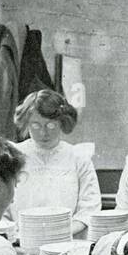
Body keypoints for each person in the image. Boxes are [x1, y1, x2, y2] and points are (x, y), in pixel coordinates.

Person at [11, 89, 101, 236]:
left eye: (50, 125)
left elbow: (89, 207)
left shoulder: (78, 157)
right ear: (26, 123)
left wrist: (60, 233)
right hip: (21, 239)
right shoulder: (14, 156)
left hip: (66, 239)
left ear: (62, 122)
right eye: (35, 125)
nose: (43, 133)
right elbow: (2, 208)